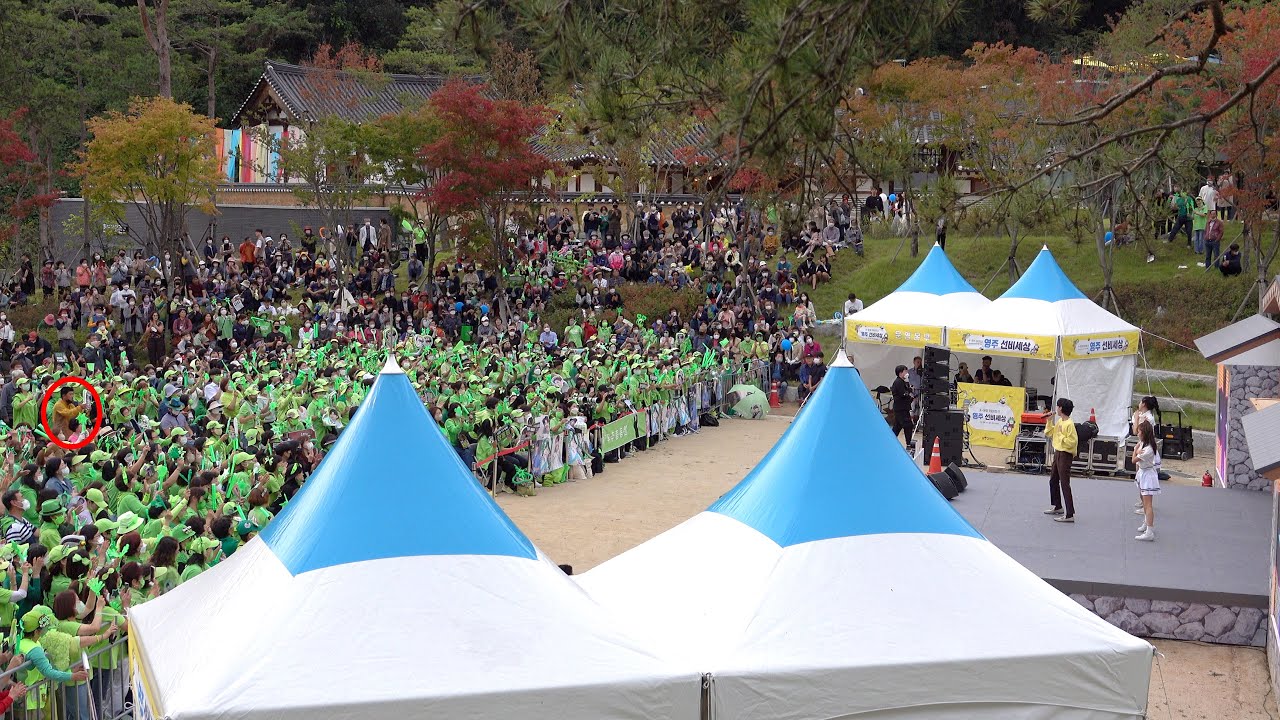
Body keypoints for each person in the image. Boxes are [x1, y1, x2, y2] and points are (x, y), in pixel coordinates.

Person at [1043, 398, 1078, 523]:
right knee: (1053, 480)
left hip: (1065, 455)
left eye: (1057, 407)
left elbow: (1073, 442)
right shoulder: (1060, 422)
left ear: (1061, 408)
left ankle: (1069, 514)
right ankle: (1057, 506)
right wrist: (1049, 421)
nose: (1056, 409)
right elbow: (1050, 433)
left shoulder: (1069, 424)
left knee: (1064, 483)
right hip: (1058, 452)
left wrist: (1062, 437)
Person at [1132, 420, 1160, 541]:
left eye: (1139, 432)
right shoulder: (1144, 443)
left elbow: (1133, 460)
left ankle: (1150, 530)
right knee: (1143, 501)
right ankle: (1146, 522)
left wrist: (1135, 450)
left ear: (1144, 433)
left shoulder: (1148, 448)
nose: (1137, 434)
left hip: (1148, 475)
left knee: (1148, 504)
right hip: (1143, 474)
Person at [890, 365, 915, 452]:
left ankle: (889, 442)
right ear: (900, 373)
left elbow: (907, 391)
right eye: (905, 372)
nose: (907, 373)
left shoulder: (902, 382)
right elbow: (903, 394)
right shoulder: (898, 382)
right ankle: (908, 445)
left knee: (897, 427)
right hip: (901, 409)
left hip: (902, 408)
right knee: (908, 425)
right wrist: (909, 395)